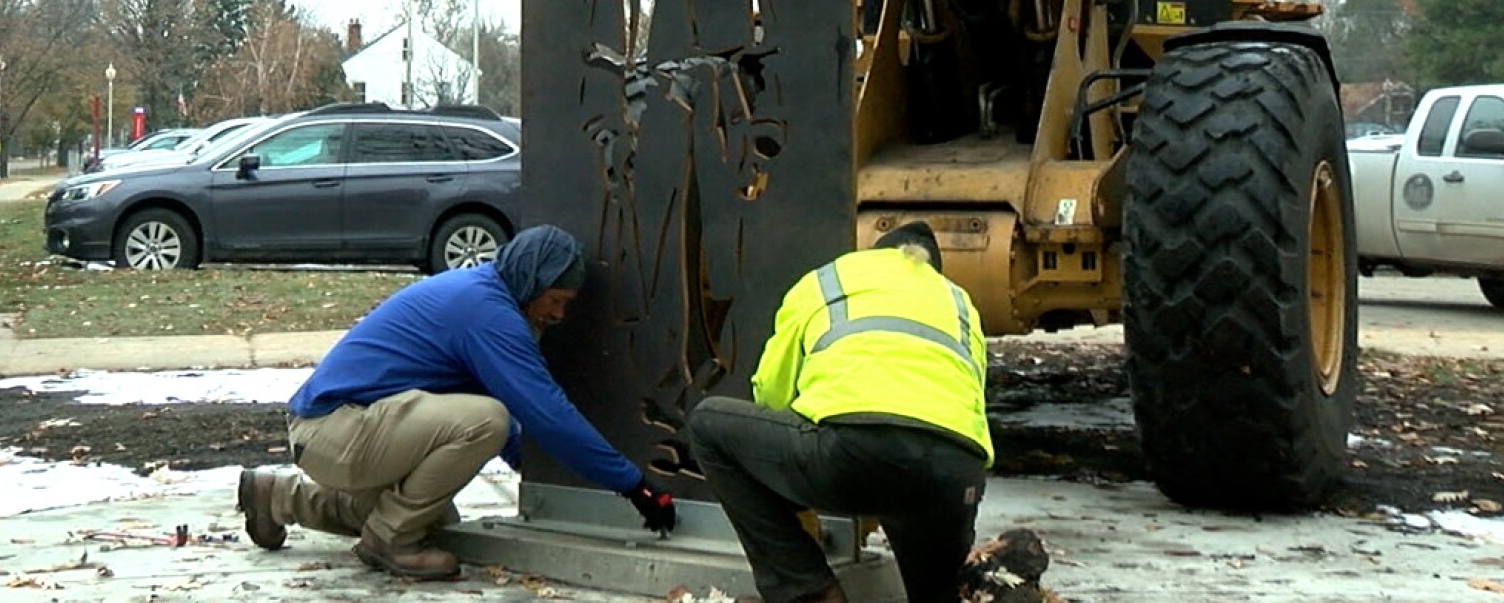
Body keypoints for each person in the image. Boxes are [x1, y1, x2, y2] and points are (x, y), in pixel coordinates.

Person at [237, 224, 678, 581]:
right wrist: (633, 486)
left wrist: (528, 466)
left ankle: (278, 498)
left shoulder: (483, 294)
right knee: (485, 422)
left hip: (336, 433)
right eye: (557, 300)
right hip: (336, 428)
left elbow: (491, 396)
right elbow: (545, 413)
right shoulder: (487, 311)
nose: (559, 314)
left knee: (434, 521)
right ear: (535, 280)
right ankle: (388, 541)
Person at [686, 223, 992, 603]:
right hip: (956, 475)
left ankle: (808, 590)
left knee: (708, 425)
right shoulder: (959, 302)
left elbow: (772, 391)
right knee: (934, 580)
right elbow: (970, 404)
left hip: (851, 453)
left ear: (876, 255)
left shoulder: (831, 280)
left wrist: (787, 464)